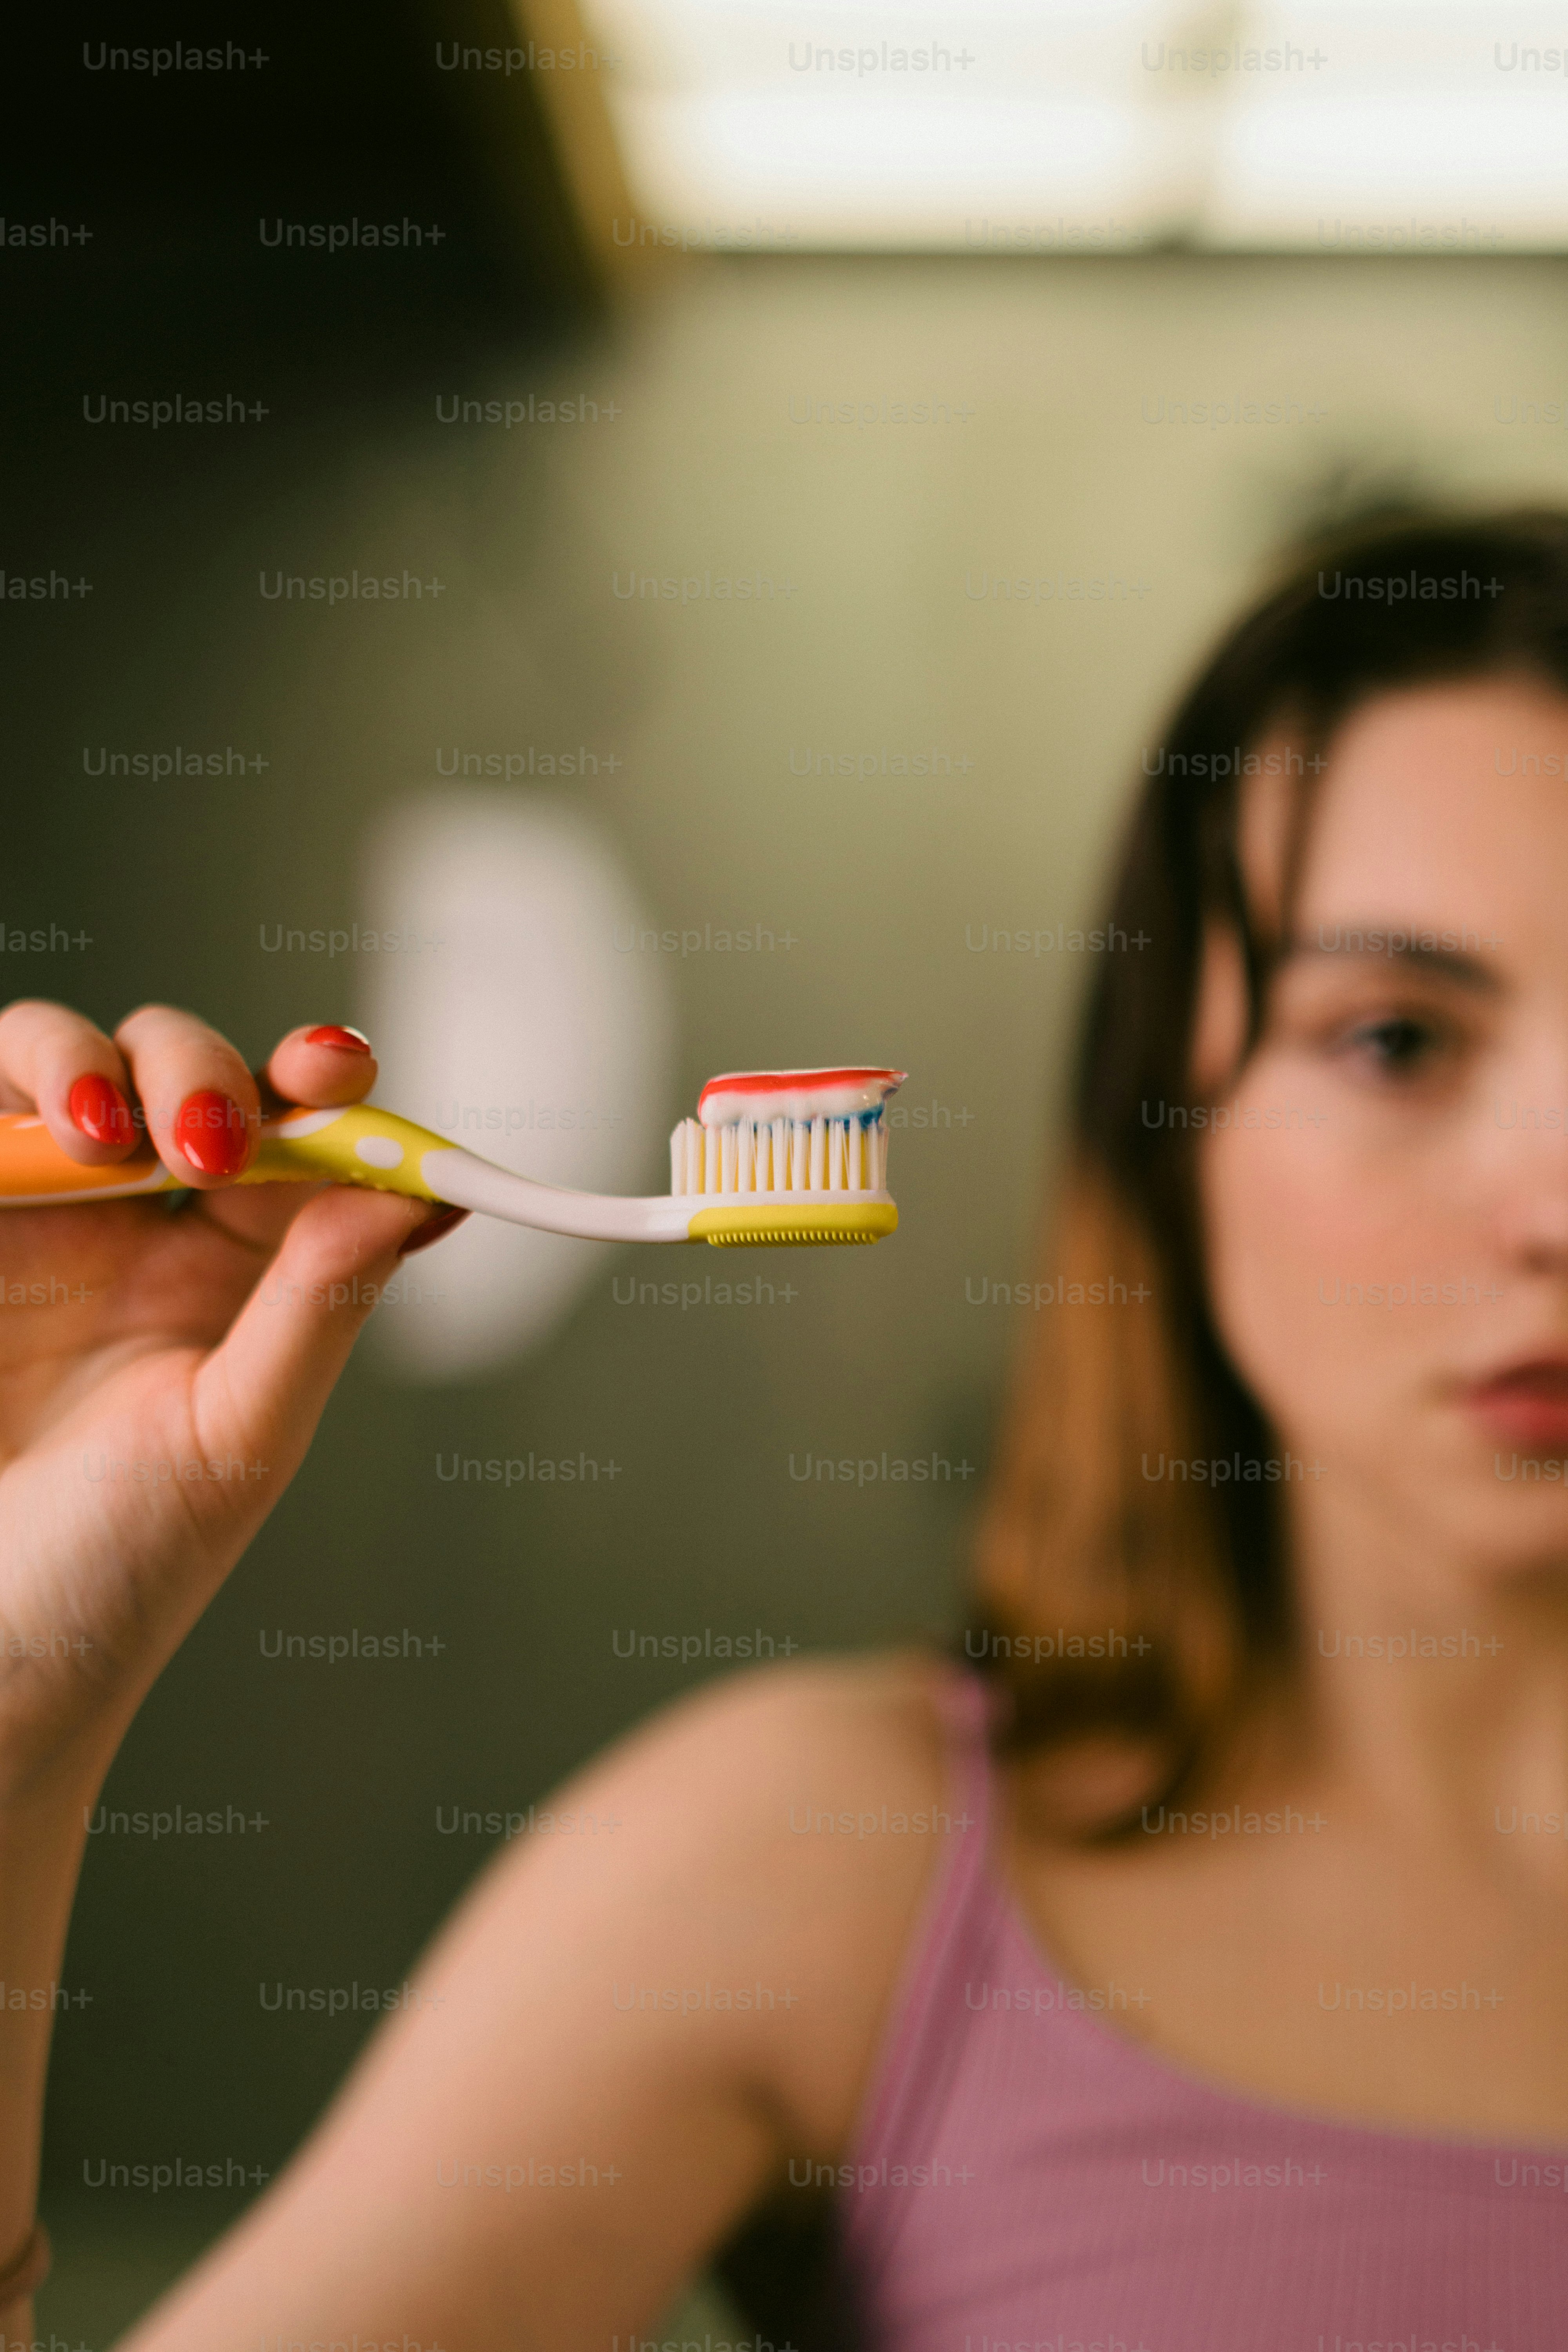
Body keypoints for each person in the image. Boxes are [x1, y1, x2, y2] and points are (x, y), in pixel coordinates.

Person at [4, 507, 1568, 2352]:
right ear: (1165, 1136)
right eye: (1393, 1039)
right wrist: (25, 1691)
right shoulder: (816, 1866)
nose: (1554, 1203)